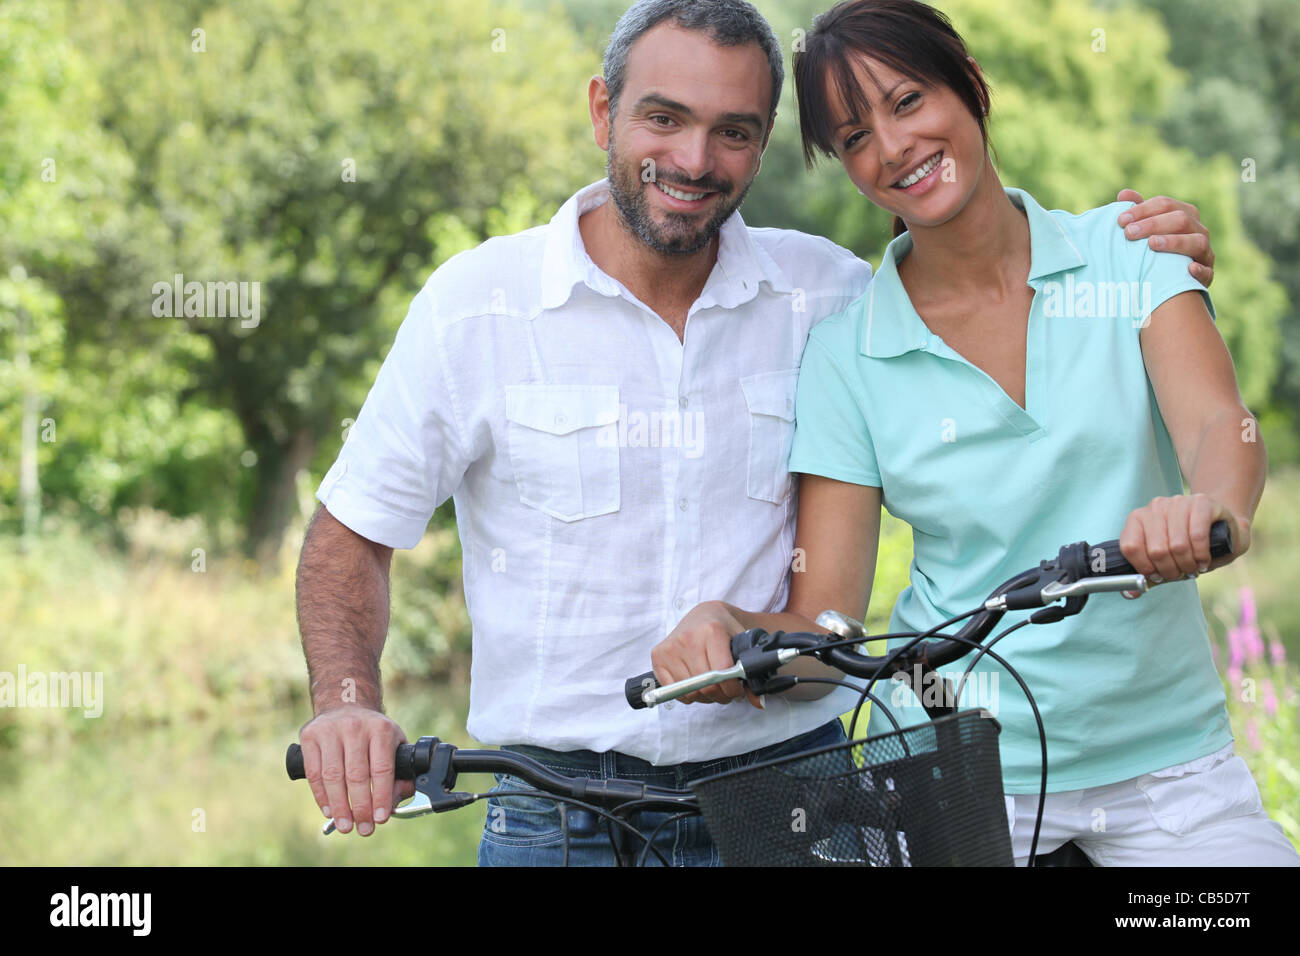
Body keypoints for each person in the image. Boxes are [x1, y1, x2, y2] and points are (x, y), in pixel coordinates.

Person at [295, 0, 1220, 866]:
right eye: (663, 118)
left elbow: (979, 294)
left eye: (733, 131)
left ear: (762, 149)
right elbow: (350, 532)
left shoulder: (829, 298)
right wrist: (345, 704)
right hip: (554, 813)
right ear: (601, 109)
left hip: (792, 799)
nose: (696, 158)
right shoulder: (475, 306)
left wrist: (1135, 253)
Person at [656, 0, 1298, 865]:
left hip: (1169, 768)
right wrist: (734, 630)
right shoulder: (849, 354)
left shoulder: (1126, 251)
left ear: (973, 87)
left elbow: (1224, 422)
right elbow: (829, 625)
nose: (890, 147)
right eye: (853, 137)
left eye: (909, 101)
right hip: (956, 768)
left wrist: (1211, 507)